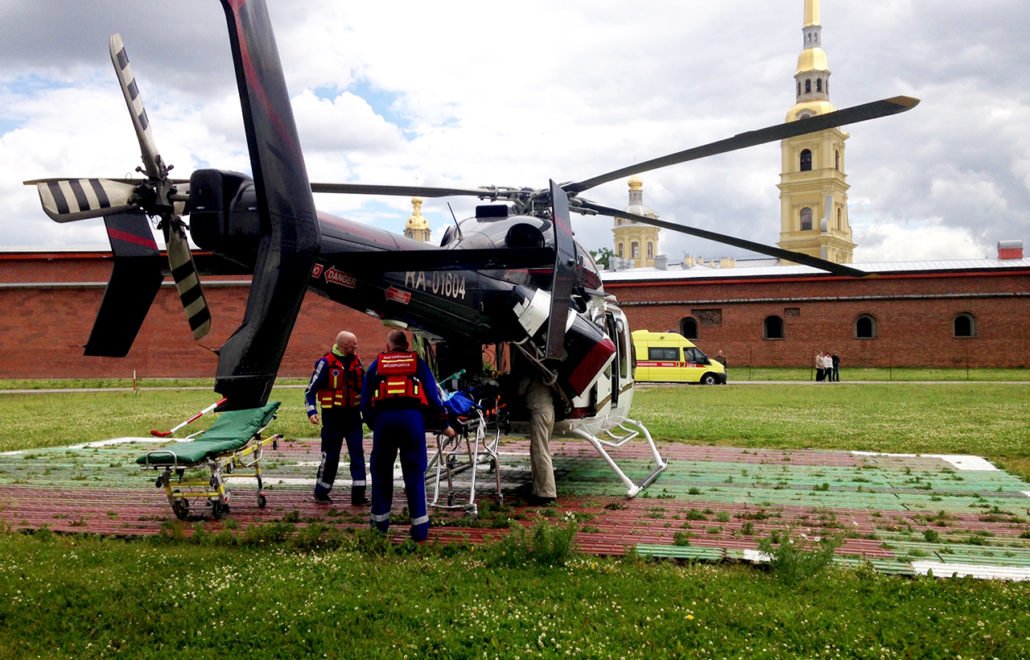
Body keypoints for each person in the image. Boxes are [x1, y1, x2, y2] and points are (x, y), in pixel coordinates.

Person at [361, 329, 454, 541]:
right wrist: (444, 424)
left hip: (384, 421)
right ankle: (420, 529)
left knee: (381, 472)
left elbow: (365, 401)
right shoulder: (417, 364)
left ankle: (379, 526)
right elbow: (433, 397)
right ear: (407, 346)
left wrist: (374, 423)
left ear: (388, 346)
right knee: (414, 473)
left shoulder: (377, 366)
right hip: (412, 421)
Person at [305, 330, 367, 505]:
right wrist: (312, 412)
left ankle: (359, 495)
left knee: (357, 454)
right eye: (353, 344)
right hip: (333, 418)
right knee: (331, 456)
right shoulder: (325, 364)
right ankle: (321, 491)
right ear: (344, 345)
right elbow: (310, 391)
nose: (356, 346)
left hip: (353, 417)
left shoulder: (357, 362)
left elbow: (363, 388)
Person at [514, 350, 557, 506]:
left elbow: (520, 390)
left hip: (539, 413)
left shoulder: (530, 371)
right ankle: (538, 489)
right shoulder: (544, 372)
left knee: (541, 452)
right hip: (548, 412)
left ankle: (547, 493)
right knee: (538, 450)